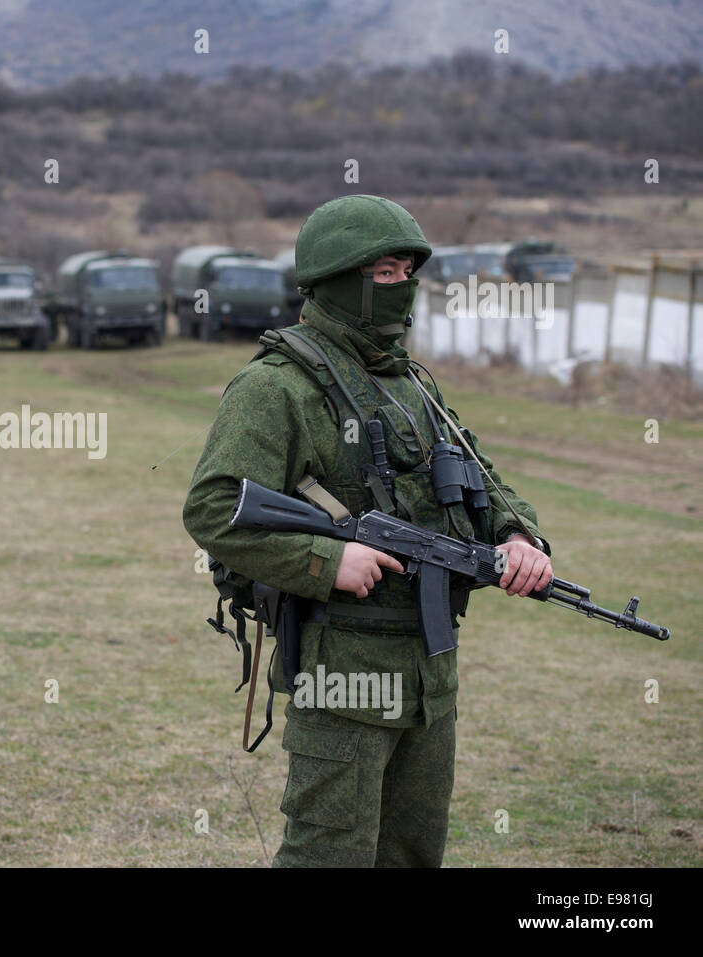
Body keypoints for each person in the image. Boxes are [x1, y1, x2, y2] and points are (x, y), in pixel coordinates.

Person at [182, 194, 553, 867]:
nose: (402, 286)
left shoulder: (411, 384)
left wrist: (518, 536)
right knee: (329, 855)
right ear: (336, 281)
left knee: (411, 854)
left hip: (429, 682)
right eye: (384, 272)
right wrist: (328, 561)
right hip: (343, 675)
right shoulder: (276, 388)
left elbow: (482, 480)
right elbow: (213, 508)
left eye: (408, 271)